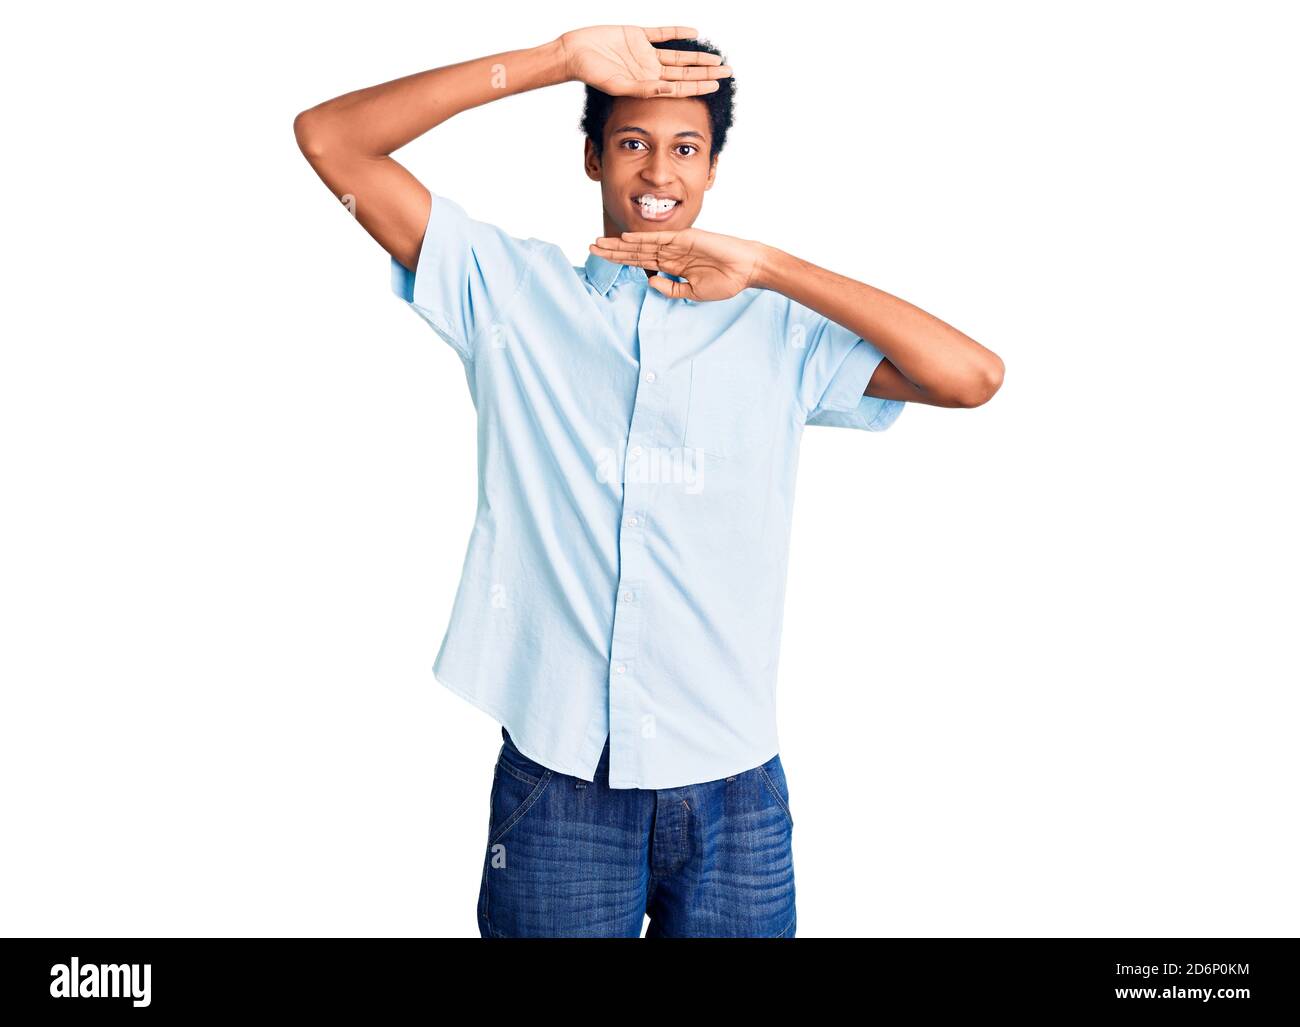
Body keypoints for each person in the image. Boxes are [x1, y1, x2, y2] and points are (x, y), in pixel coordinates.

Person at [294, 23, 1004, 938]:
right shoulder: (507, 290)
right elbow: (329, 138)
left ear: (713, 169)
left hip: (734, 790)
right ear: (591, 155)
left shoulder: (777, 330)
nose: (659, 173)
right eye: (632, 142)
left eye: (685, 149)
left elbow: (972, 377)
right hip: (558, 787)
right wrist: (556, 61)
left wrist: (770, 267)